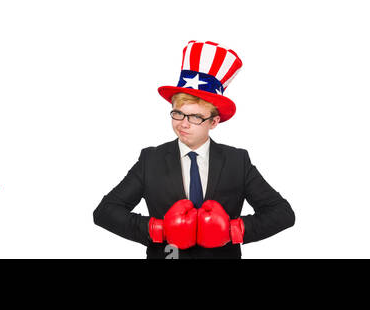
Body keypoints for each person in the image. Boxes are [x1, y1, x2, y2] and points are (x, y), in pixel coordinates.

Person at [94, 40, 294, 259]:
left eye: (195, 117)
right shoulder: (151, 159)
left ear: (214, 121)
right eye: (178, 113)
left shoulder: (238, 161)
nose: (183, 123)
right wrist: (157, 229)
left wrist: (233, 230)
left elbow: (283, 213)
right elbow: (105, 212)